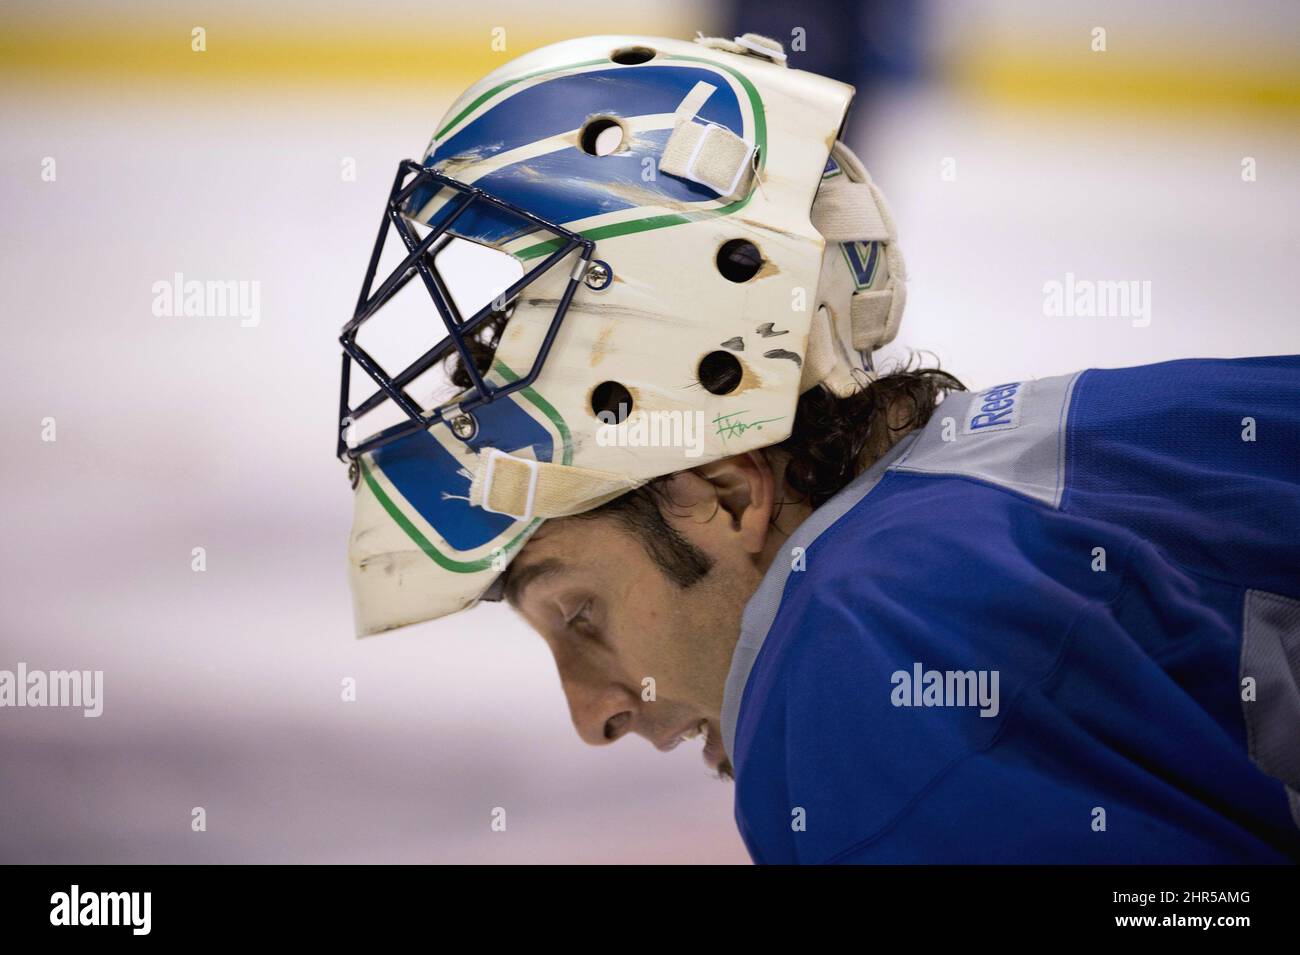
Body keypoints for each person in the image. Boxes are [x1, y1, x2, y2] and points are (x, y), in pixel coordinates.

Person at [336, 32, 1300, 863]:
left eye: (579, 611)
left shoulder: (854, 682)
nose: (596, 715)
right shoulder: (1105, 434)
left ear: (722, 492)